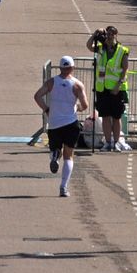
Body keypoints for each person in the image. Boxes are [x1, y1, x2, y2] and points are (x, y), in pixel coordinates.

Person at [34, 56, 87, 198]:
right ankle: (63, 187)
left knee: (55, 149)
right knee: (69, 156)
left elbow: (37, 96)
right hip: (71, 123)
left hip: (54, 123)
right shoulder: (77, 85)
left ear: (60, 68)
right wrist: (77, 107)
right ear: (72, 68)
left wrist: (46, 109)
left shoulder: (51, 82)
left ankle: (55, 156)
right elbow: (85, 105)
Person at [89, 26, 132, 152]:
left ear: (116, 35)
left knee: (116, 117)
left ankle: (116, 142)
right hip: (102, 88)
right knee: (105, 116)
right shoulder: (101, 48)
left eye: (112, 34)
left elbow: (125, 70)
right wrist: (95, 34)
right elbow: (89, 46)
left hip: (116, 89)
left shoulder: (122, 50)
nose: (109, 36)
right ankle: (108, 142)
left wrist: (118, 85)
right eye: (107, 34)